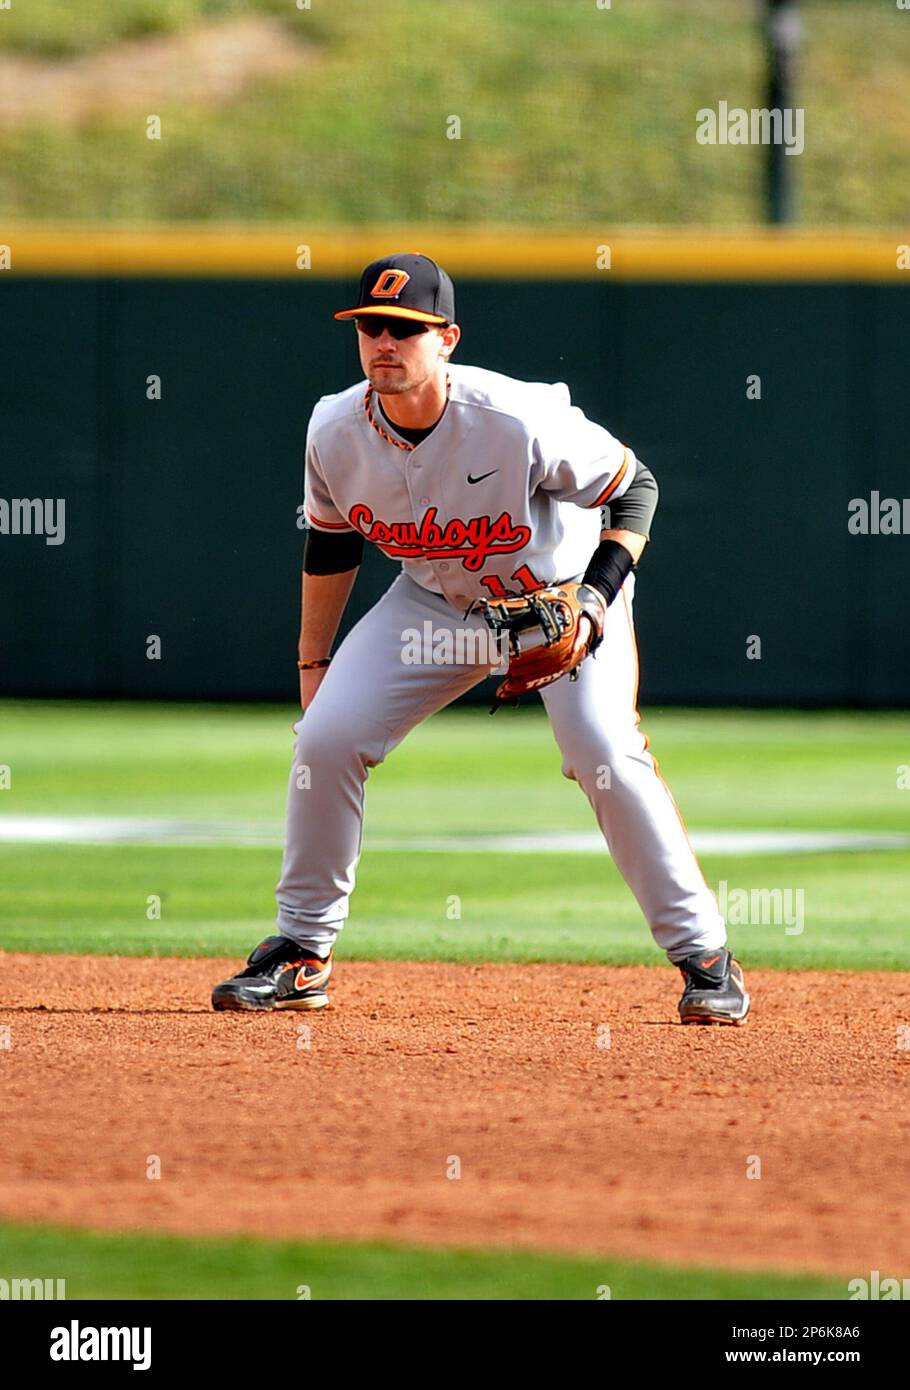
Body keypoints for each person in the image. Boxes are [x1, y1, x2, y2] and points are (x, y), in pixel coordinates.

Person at [211, 252, 749, 1025]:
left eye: (405, 329)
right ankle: (301, 954)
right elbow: (331, 545)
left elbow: (636, 488)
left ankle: (706, 959)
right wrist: (313, 661)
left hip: (557, 599)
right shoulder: (334, 427)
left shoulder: (515, 418)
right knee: (325, 737)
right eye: (370, 327)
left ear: (448, 338)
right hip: (435, 608)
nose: (384, 343)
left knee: (601, 751)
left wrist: (595, 602)